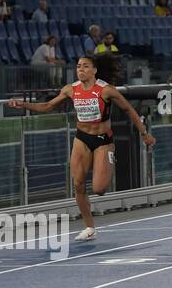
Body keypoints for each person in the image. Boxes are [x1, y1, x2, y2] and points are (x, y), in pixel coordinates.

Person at [8, 53, 155, 240]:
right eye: (78, 66)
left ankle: (108, 160)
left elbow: (128, 109)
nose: (81, 70)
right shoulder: (71, 90)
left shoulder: (106, 90)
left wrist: (144, 133)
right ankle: (89, 228)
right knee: (77, 184)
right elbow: (47, 106)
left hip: (103, 140)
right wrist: (23, 105)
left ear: (94, 70)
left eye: (85, 66)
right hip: (82, 138)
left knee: (99, 189)